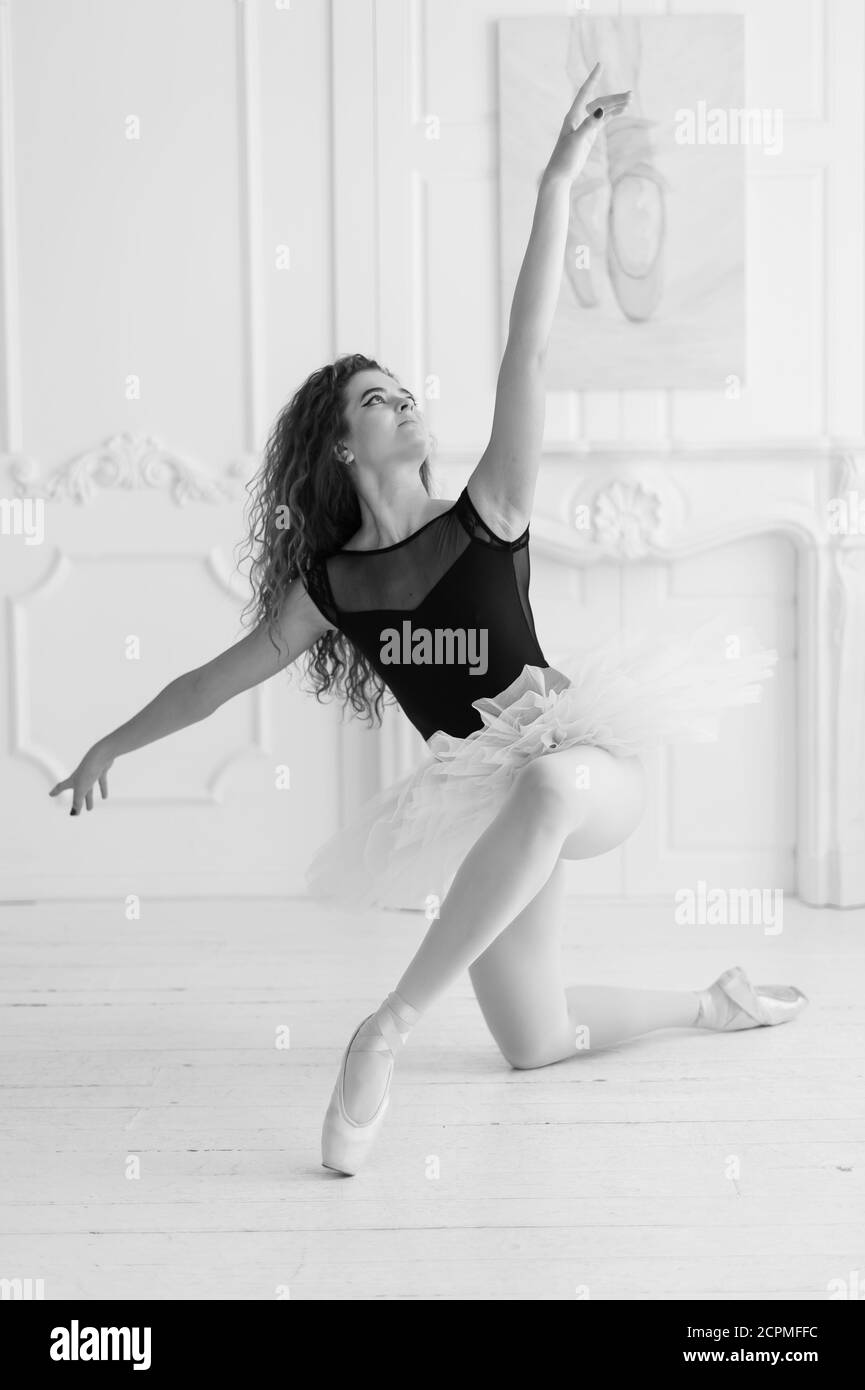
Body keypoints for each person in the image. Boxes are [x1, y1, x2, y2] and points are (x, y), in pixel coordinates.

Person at [49, 67, 807, 1177]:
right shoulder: (333, 591)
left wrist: (558, 179)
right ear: (342, 449)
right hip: (482, 801)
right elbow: (213, 681)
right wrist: (113, 741)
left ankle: (386, 1027)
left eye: (405, 390)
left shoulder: (486, 512)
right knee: (536, 1042)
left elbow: (530, 346)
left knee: (546, 782)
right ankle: (712, 1001)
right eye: (375, 398)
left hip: (584, 758)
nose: (402, 400)